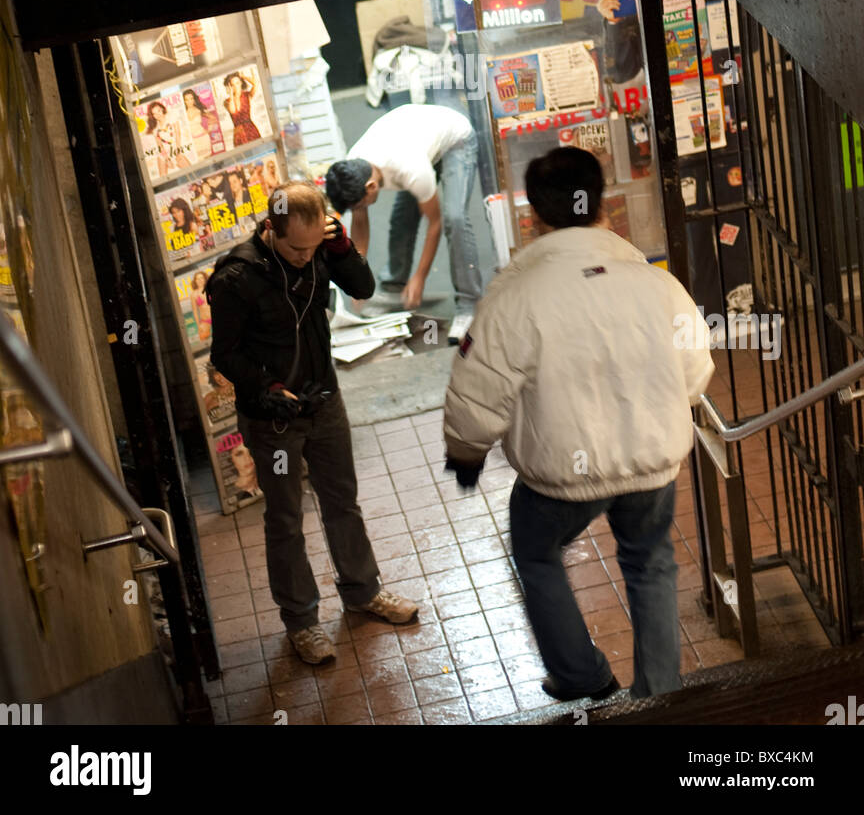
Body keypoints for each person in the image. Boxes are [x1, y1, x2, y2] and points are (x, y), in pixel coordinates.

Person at [443, 146, 714, 704]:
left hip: (561, 476)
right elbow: (695, 366)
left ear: (533, 215)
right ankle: (659, 696)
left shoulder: (514, 295)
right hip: (651, 461)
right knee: (650, 562)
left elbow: (478, 386)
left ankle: (581, 676)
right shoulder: (653, 282)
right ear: (604, 205)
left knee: (537, 553)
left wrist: (466, 452)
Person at [206, 181, 418, 664]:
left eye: (313, 245)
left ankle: (363, 591)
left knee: (343, 502)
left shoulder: (323, 248)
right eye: (295, 248)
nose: (305, 257)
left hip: (325, 405)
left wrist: (340, 248)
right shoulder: (236, 278)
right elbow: (225, 354)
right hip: (274, 421)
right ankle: (302, 621)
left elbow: (363, 289)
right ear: (269, 228)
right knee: (284, 520)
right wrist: (264, 387)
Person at [325, 103, 482, 343]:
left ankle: (468, 304)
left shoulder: (410, 169)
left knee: (455, 218)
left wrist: (420, 277)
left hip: (455, 140)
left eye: (361, 204)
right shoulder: (354, 168)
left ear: (371, 187)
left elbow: (435, 223)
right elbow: (360, 222)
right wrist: (357, 278)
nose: (360, 210)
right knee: (401, 220)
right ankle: (394, 289)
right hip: (416, 141)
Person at [223, 72, 262, 146]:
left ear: (241, 83)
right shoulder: (227, 101)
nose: (236, 86)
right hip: (238, 132)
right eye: (232, 85)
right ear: (229, 86)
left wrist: (242, 76)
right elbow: (233, 111)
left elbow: (255, 84)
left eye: (237, 83)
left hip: (250, 128)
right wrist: (231, 95)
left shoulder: (247, 95)